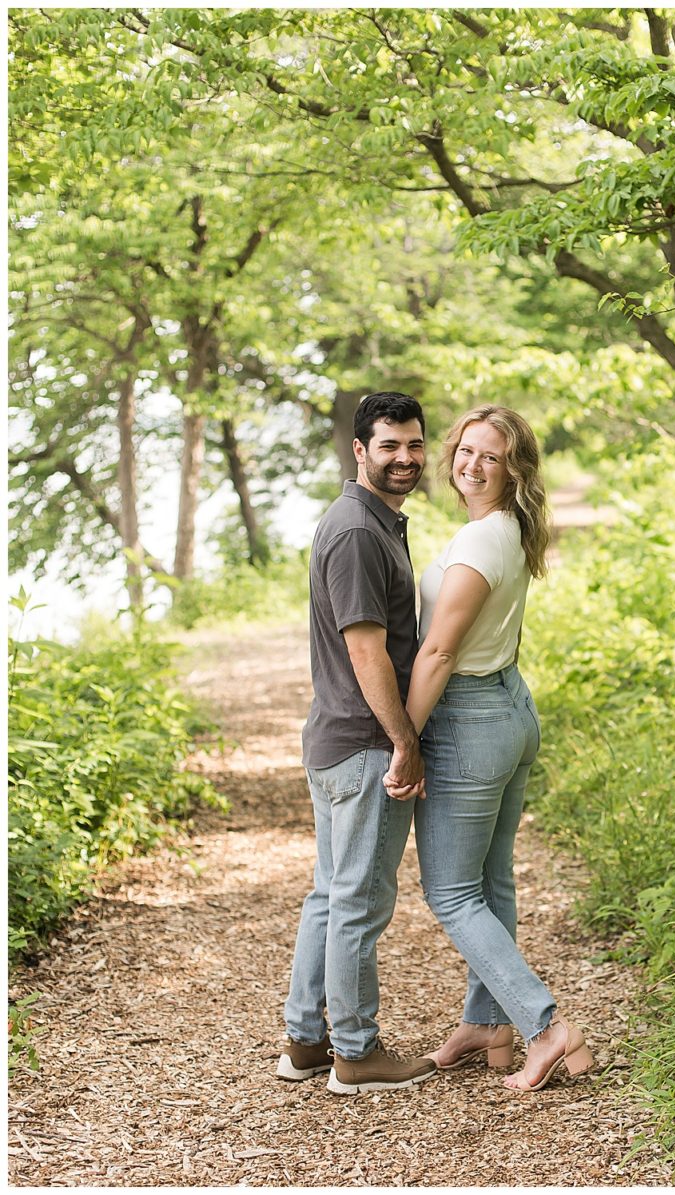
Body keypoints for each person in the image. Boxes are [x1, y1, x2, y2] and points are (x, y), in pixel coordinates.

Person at [396, 404, 595, 1093]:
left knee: (452, 892)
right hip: (508, 706)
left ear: (514, 469)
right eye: (466, 450)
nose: (473, 465)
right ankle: (489, 1024)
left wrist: (405, 738)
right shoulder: (506, 528)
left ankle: (546, 1026)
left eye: (491, 456)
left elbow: (439, 651)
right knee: (491, 882)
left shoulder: (482, 541)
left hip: (469, 719)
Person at [278, 391, 439, 1094]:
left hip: (342, 739)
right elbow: (367, 650)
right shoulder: (356, 532)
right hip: (365, 742)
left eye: (414, 444)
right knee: (358, 900)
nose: (405, 458)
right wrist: (404, 741)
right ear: (359, 450)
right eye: (389, 445)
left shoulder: (373, 522)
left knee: (332, 893)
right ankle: (355, 1050)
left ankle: (306, 1042)